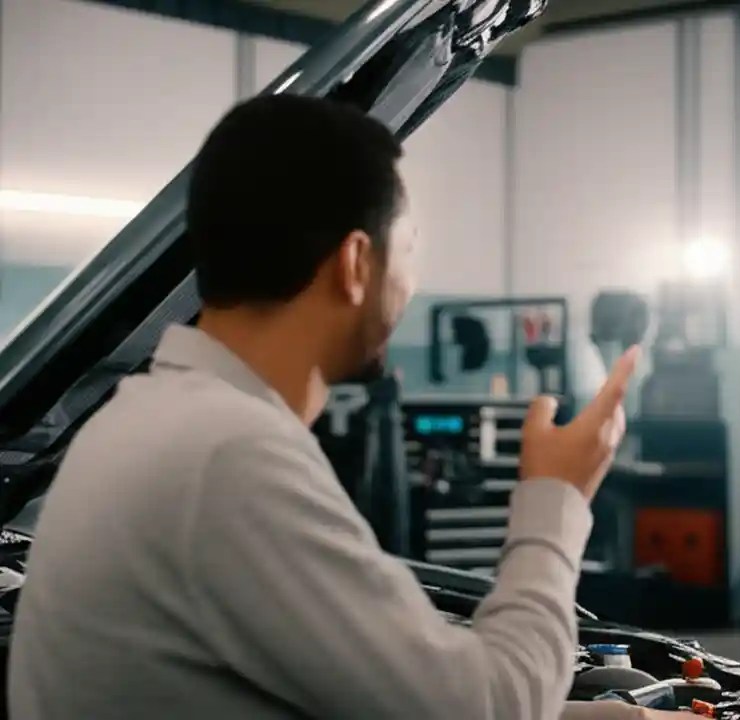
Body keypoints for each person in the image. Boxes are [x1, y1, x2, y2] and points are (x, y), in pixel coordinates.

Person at [7, 94, 689, 720]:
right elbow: (486, 705)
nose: (411, 282)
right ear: (357, 263)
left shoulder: (146, 423)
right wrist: (555, 499)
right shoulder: (227, 456)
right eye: (411, 251)